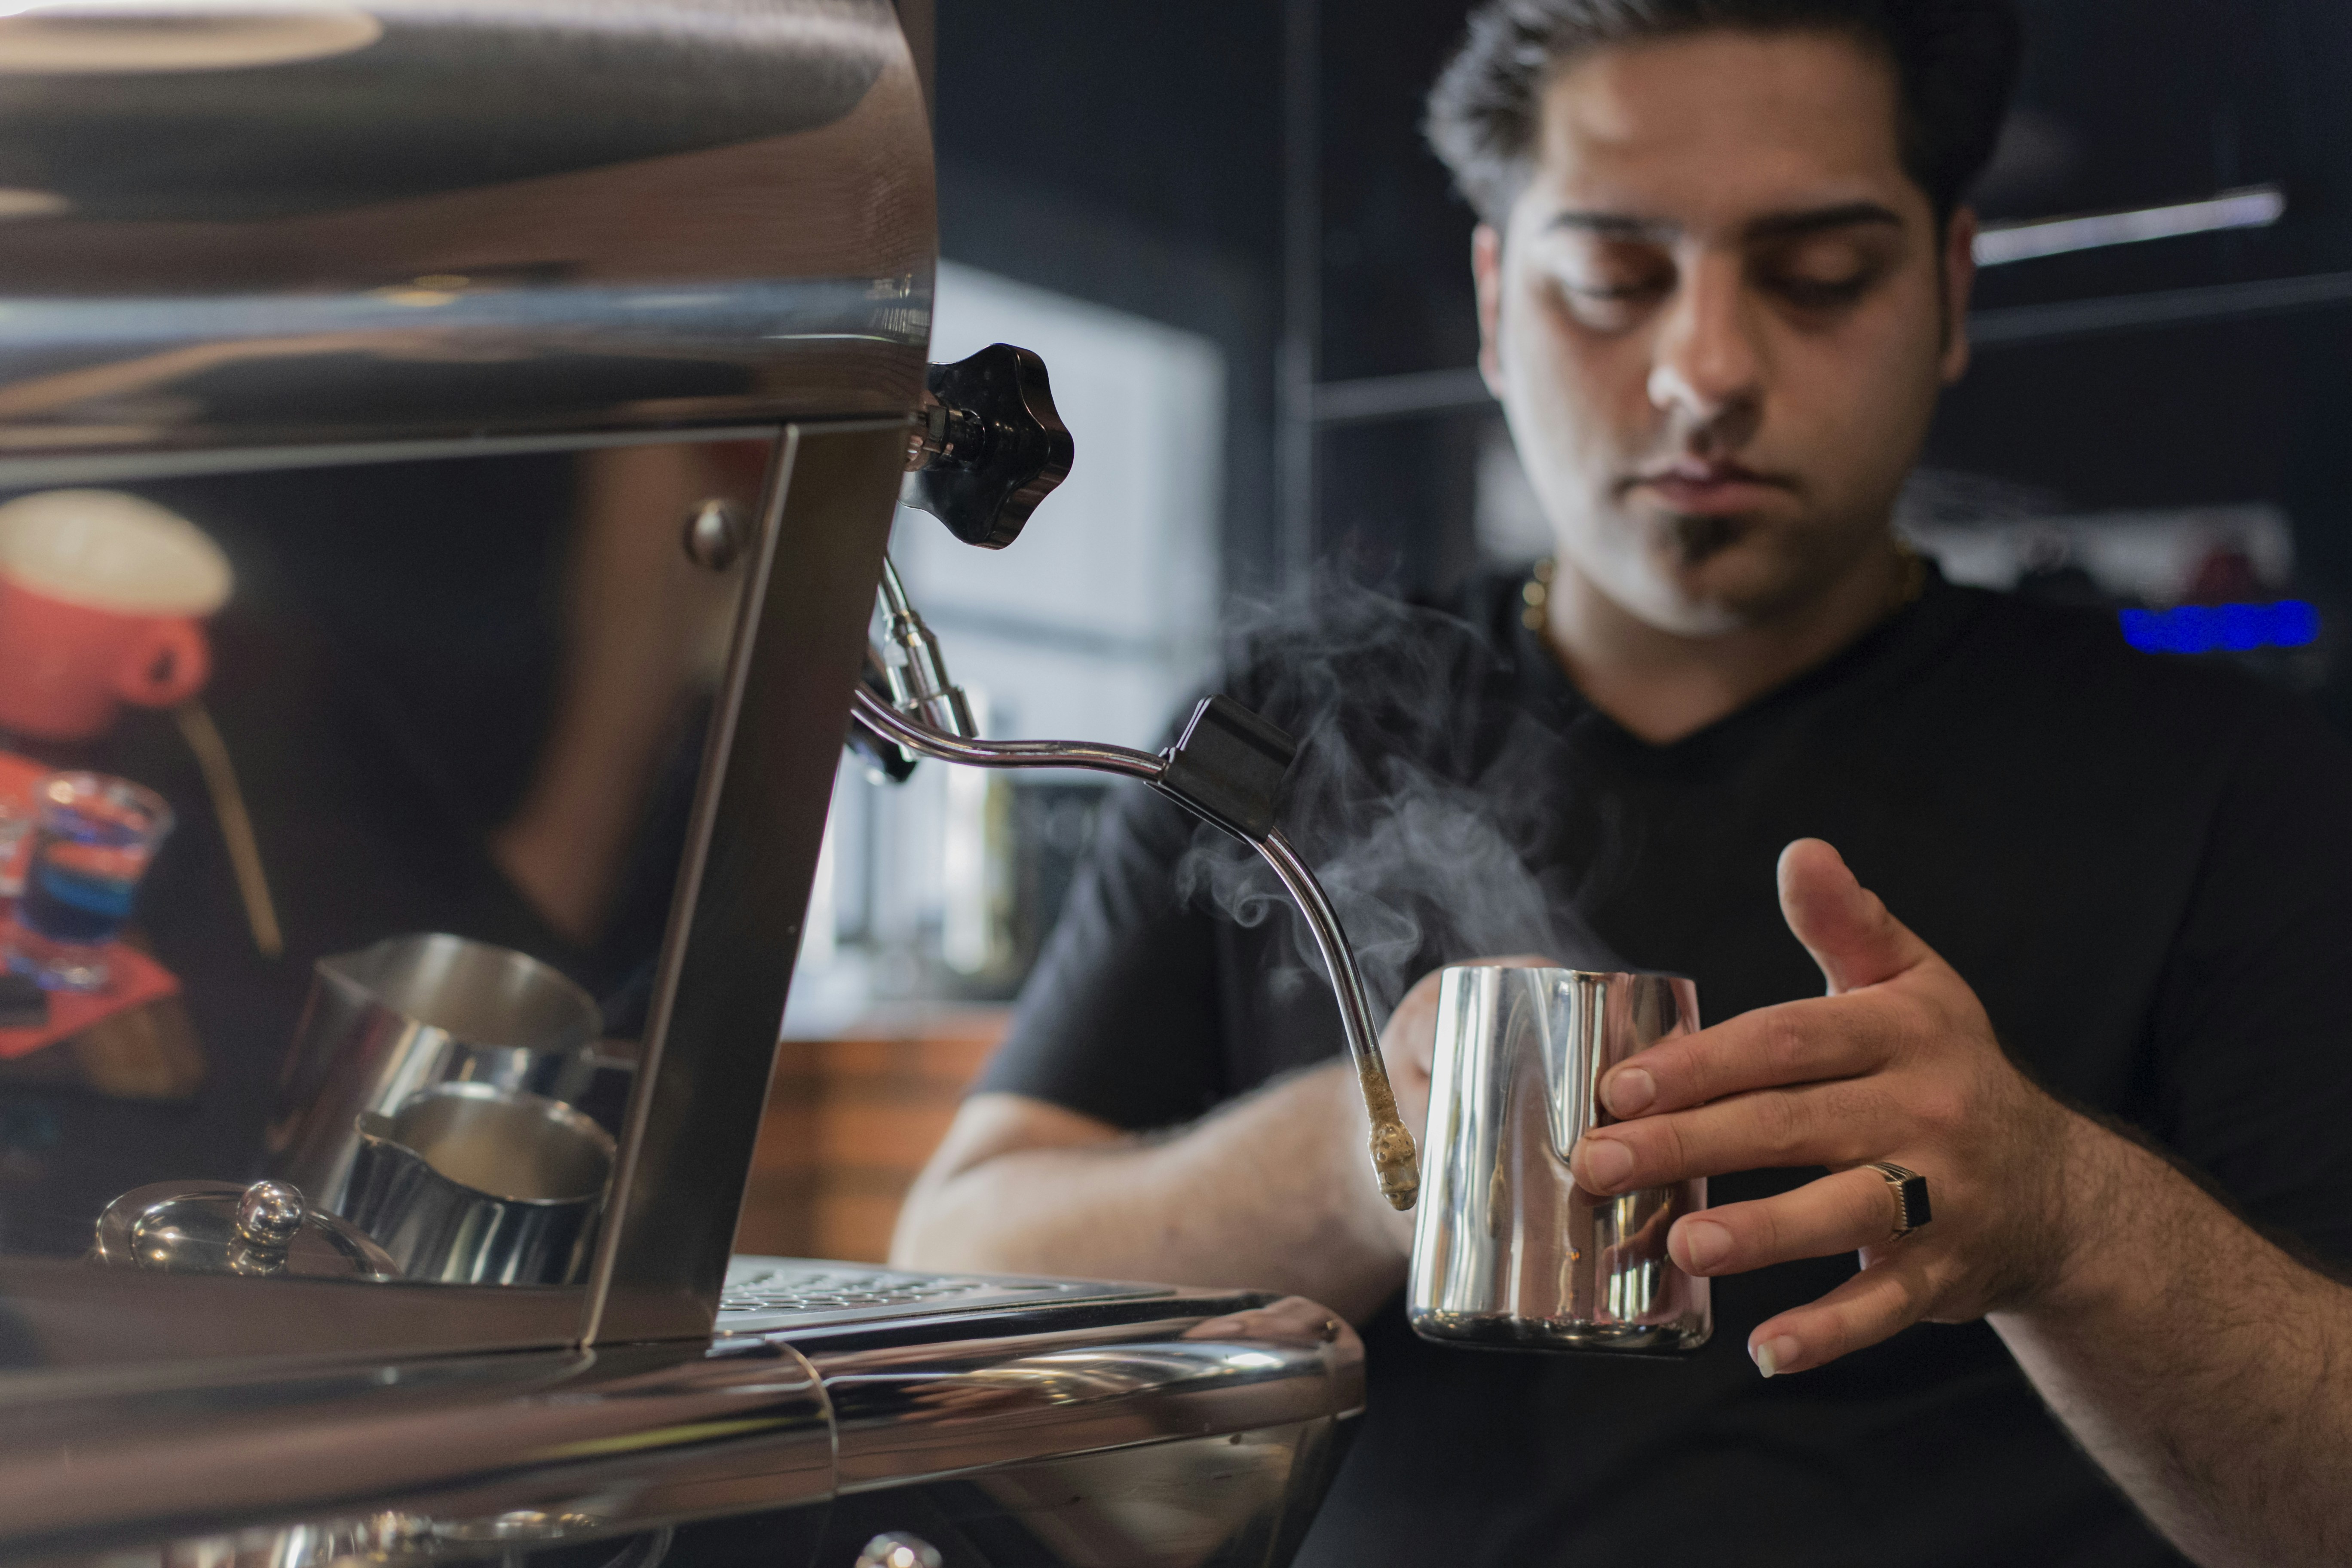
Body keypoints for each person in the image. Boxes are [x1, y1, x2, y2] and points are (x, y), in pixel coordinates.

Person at [892, 1, 2352, 1562]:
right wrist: (1368, 1151)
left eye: (1817, 275)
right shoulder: (1275, 737)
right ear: (1495, 302)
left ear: (1948, 290)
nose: (1704, 373)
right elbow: (956, 1272)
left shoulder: (2221, 776)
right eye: (1612, 282)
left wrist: (2067, 1220)